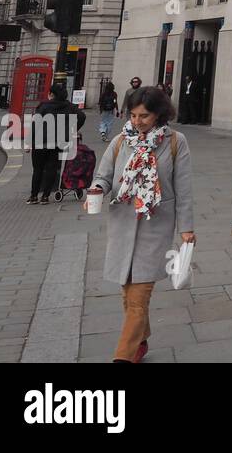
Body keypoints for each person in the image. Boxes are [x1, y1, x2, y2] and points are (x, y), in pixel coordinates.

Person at [87, 85, 194, 363]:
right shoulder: (121, 140)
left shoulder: (175, 141)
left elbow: (183, 189)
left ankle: (123, 357)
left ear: (159, 114)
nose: (137, 121)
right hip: (122, 222)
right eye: (133, 115)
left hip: (155, 225)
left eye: (144, 116)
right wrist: (97, 189)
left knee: (139, 294)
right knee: (127, 291)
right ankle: (141, 340)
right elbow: (104, 175)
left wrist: (186, 228)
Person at [28, 82, 84, 205]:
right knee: (52, 169)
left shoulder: (44, 105)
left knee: (38, 169)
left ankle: (33, 196)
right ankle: (45, 197)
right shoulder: (69, 106)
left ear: (51, 94)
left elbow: (35, 123)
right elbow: (82, 116)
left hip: (39, 142)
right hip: (58, 142)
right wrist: (71, 129)